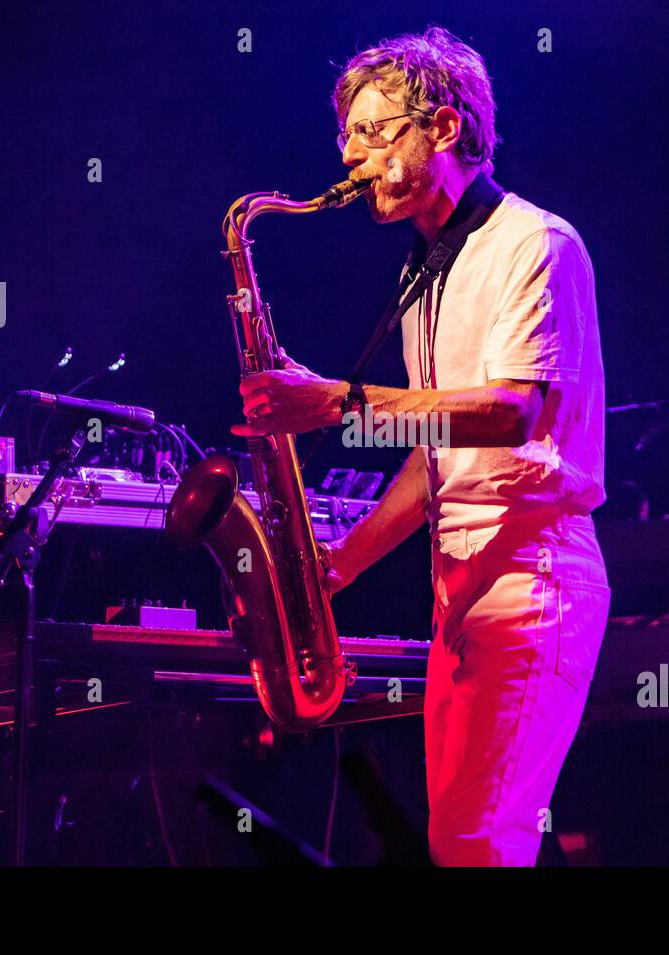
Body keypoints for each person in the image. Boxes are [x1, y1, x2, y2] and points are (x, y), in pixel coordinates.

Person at [231, 25, 609, 866]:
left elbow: (513, 416)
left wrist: (333, 401)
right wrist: (336, 564)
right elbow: (436, 454)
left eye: (373, 133)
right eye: (347, 139)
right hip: (459, 584)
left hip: (530, 570)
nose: (353, 158)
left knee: (478, 843)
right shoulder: (423, 273)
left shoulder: (534, 244)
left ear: (442, 128)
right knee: (458, 844)